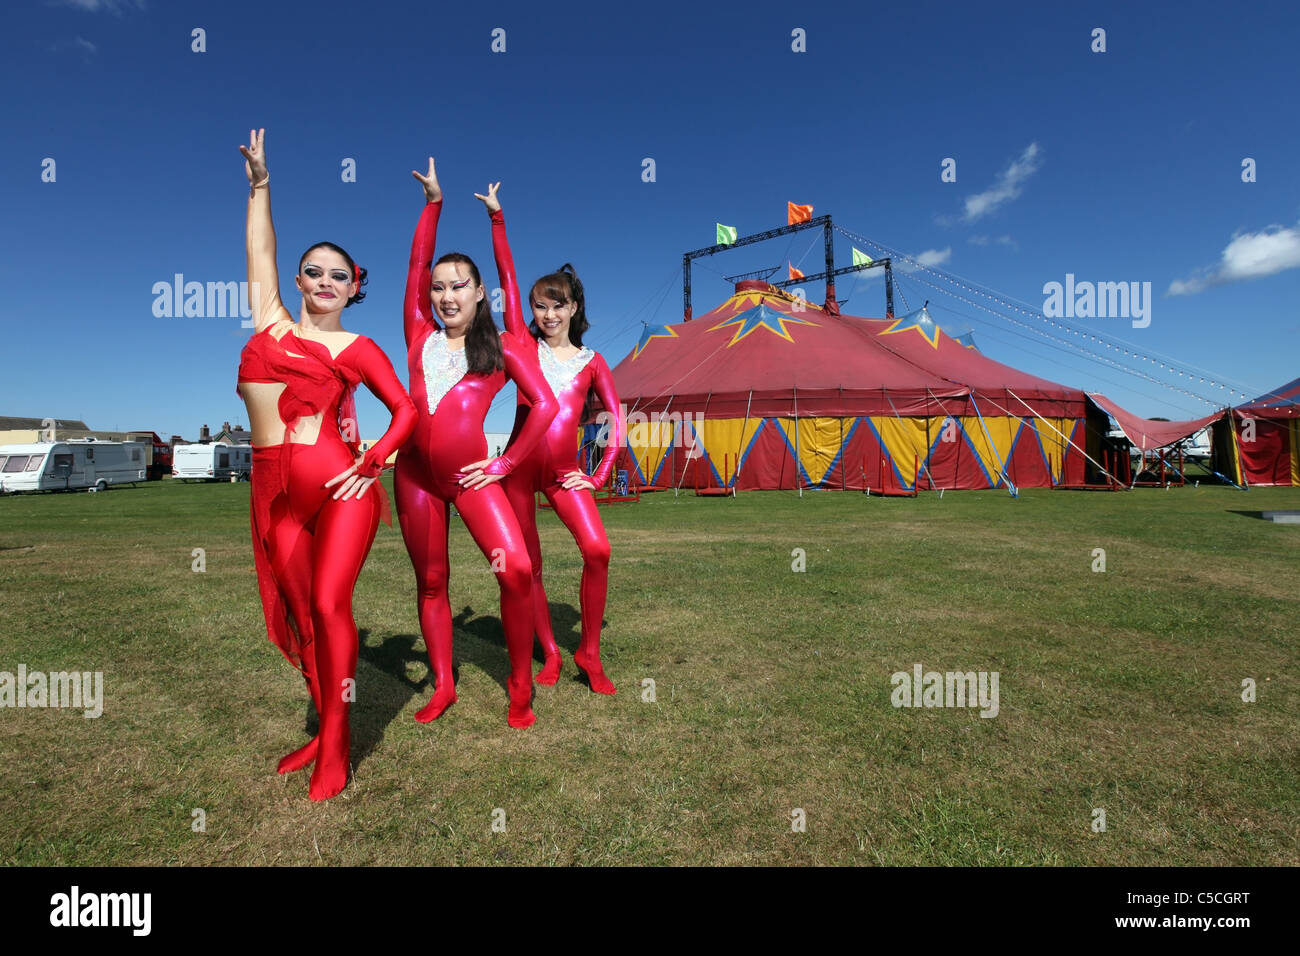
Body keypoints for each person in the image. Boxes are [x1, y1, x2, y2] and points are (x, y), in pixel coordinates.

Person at [235, 129, 417, 801]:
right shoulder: (272, 326)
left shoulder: (359, 346)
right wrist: (260, 186)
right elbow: (259, 251)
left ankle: (336, 746)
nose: (324, 281)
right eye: (313, 271)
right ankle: (323, 726)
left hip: (344, 492)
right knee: (301, 613)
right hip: (275, 495)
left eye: (338, 274)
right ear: (299, 281)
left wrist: (371, 462)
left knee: (329, 601)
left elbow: (406, 413)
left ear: (355, 286)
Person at [395, 158, 557, 728]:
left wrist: (505, 462)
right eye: (438, 287)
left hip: (471, 479)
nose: (445, 295)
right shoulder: (419, 335)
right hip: (414, 476)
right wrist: (432, 205)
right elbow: (416, 263)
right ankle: (443, 685)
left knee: (513, 571)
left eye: (458, 285)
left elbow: (547, 406)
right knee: (432, 581)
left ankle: (519, 684)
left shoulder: (503, 346)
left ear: (480, 291)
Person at [503, 265, 623, 694]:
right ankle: (551, 650)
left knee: (598, 550)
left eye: (558, 305)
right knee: (529, 567)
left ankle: (588, 652)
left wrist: (600, 473)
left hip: (564, 474)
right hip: (516, 472)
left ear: (574, 308)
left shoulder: (593, 362)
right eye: (540, 305)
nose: (549, 314)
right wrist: (497, 222)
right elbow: (507, 276)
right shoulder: (521, 346)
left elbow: (615, 417)